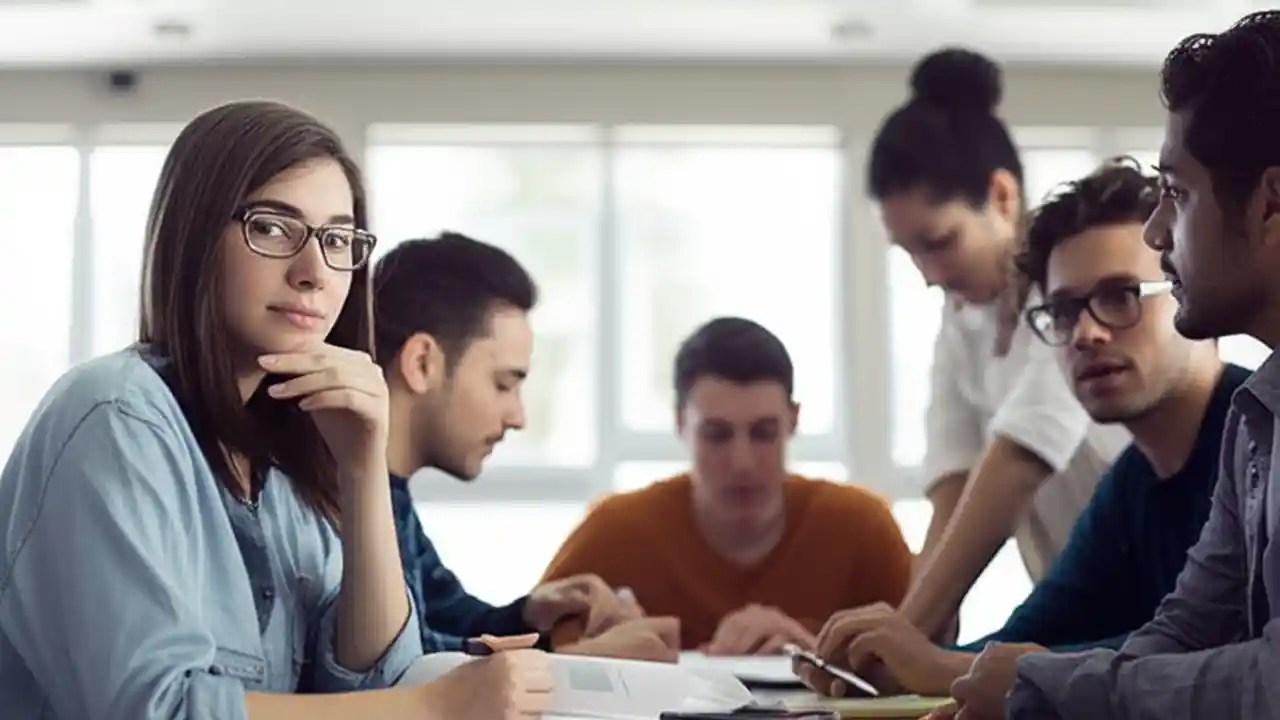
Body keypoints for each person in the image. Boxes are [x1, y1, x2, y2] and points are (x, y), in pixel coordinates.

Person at [0, 101, 550, 720]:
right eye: (272, 228)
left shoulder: (289, 460)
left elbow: (379, 689)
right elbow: (158, 711)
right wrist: (430, 708)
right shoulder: (116, 416)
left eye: (338, 239)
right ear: (197, 237)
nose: (314, 272)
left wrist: (364, 467)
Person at [800, 160, 1247, 704]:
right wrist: (896, 663)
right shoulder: (1131, 482)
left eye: (1120, 295)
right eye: (1062, 311)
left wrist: (939, 664)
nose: (1085, 333)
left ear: (1185, 281)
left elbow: (1223, 657)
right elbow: (1038, 633)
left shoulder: (1259, 440)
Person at [957, 11, 1280, 719]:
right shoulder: (1259, 418)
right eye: (1066, 311)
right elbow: (1187, 630)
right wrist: (1010, 683)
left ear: (1268, 203)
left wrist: (1039, 683)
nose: (1159, 232)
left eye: (1179, 194)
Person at [844, 46, 1130, 645]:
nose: (928, 275)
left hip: (1153, 609)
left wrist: (908, 631)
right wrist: (914, 637)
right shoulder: (961, 325)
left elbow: (1016, 463)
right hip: (1079, 611)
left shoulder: (1073, 302)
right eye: (909, 254)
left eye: (939, 242)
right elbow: (953, 491)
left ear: (1002, 197)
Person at [373, 233, 678, 661]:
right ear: (422, 363)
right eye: (503, 384)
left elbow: (444, 618)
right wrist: (567, 658)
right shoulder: (338, 497)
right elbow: (397, 667)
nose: (518, 417)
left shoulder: (390, 494)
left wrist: (530, 615)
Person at [538, 317, 913, 654]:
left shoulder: (862, 526)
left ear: (794, 420)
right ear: (680, 423)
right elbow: (524, 651)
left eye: (764, 433)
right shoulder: (617, 530)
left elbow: (926, 658)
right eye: (717, 435)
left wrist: (817, 654)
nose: (742, 462)